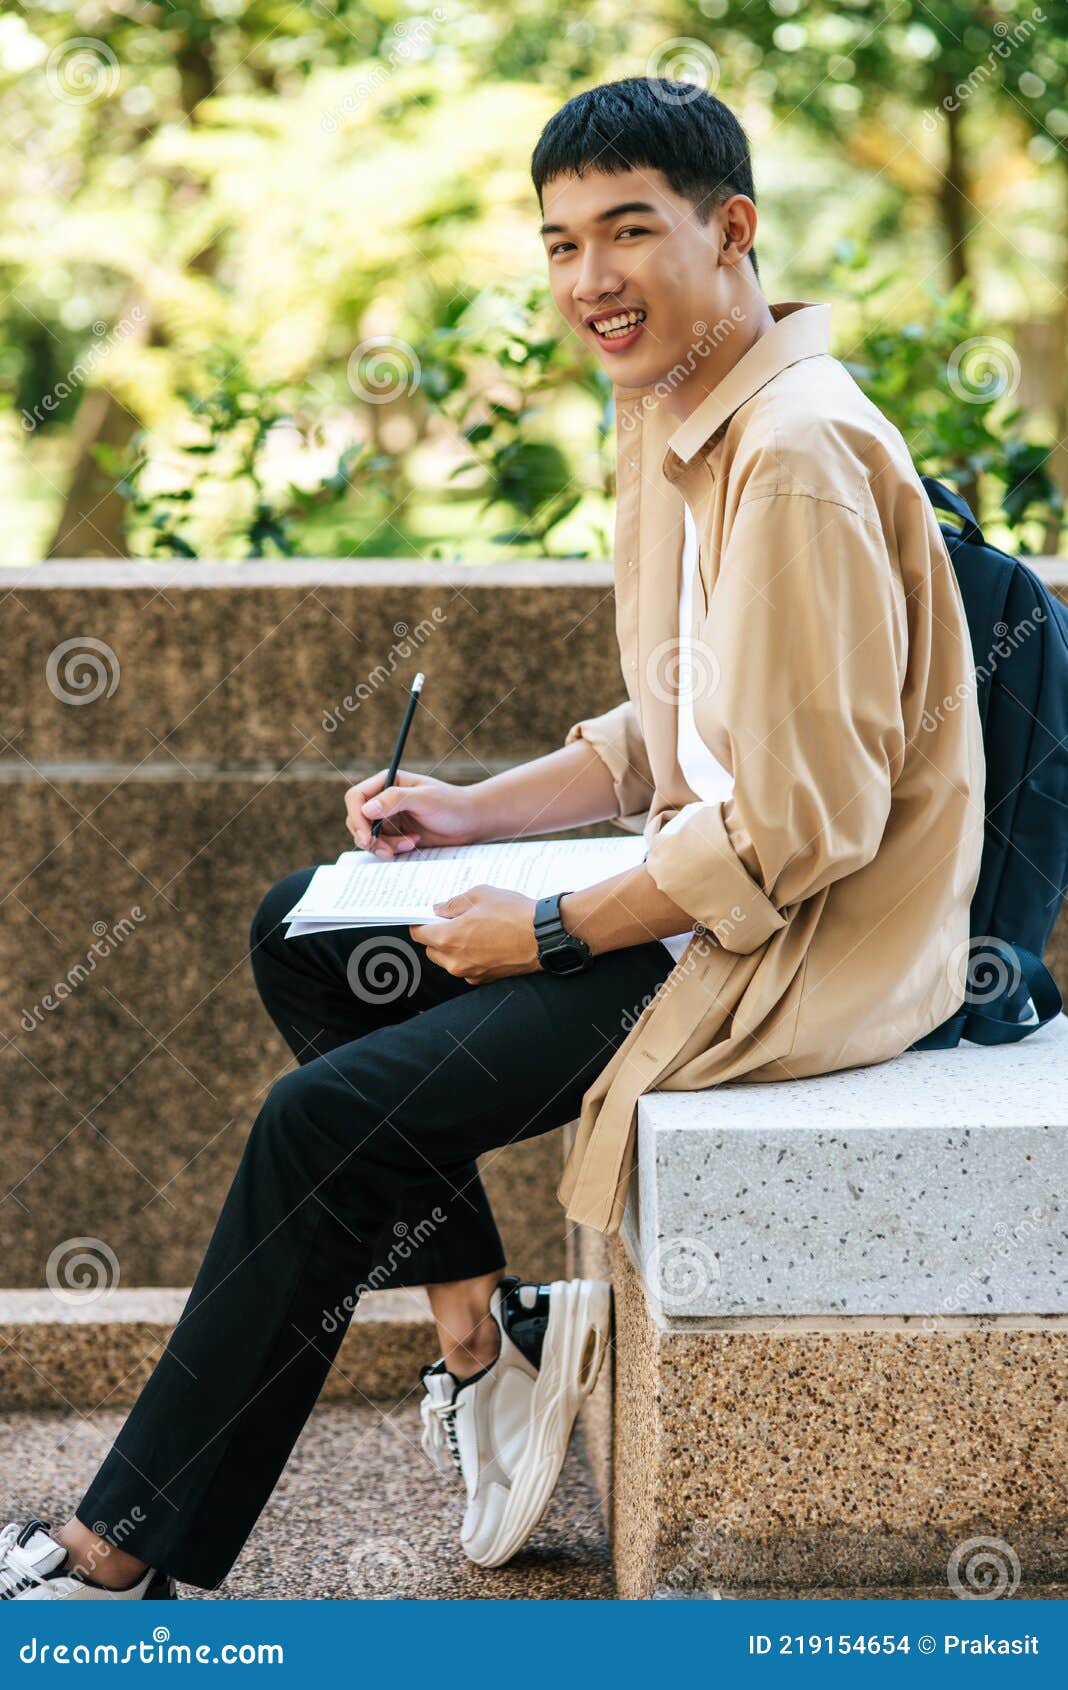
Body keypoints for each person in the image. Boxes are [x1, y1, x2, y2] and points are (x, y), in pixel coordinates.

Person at [0, 74, 983, 1600]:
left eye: (629, 231)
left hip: (790, 953)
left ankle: (125, 1545)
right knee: (307, 929)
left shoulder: (788, 456)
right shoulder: (679, 408)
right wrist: (469, 815)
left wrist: (538, 928)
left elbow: (807, 825)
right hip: (707, 900)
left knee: (317, 1123)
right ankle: (487, 1332)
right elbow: (678, 723)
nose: (590, 279)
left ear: (731, 233)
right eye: (559, 242)